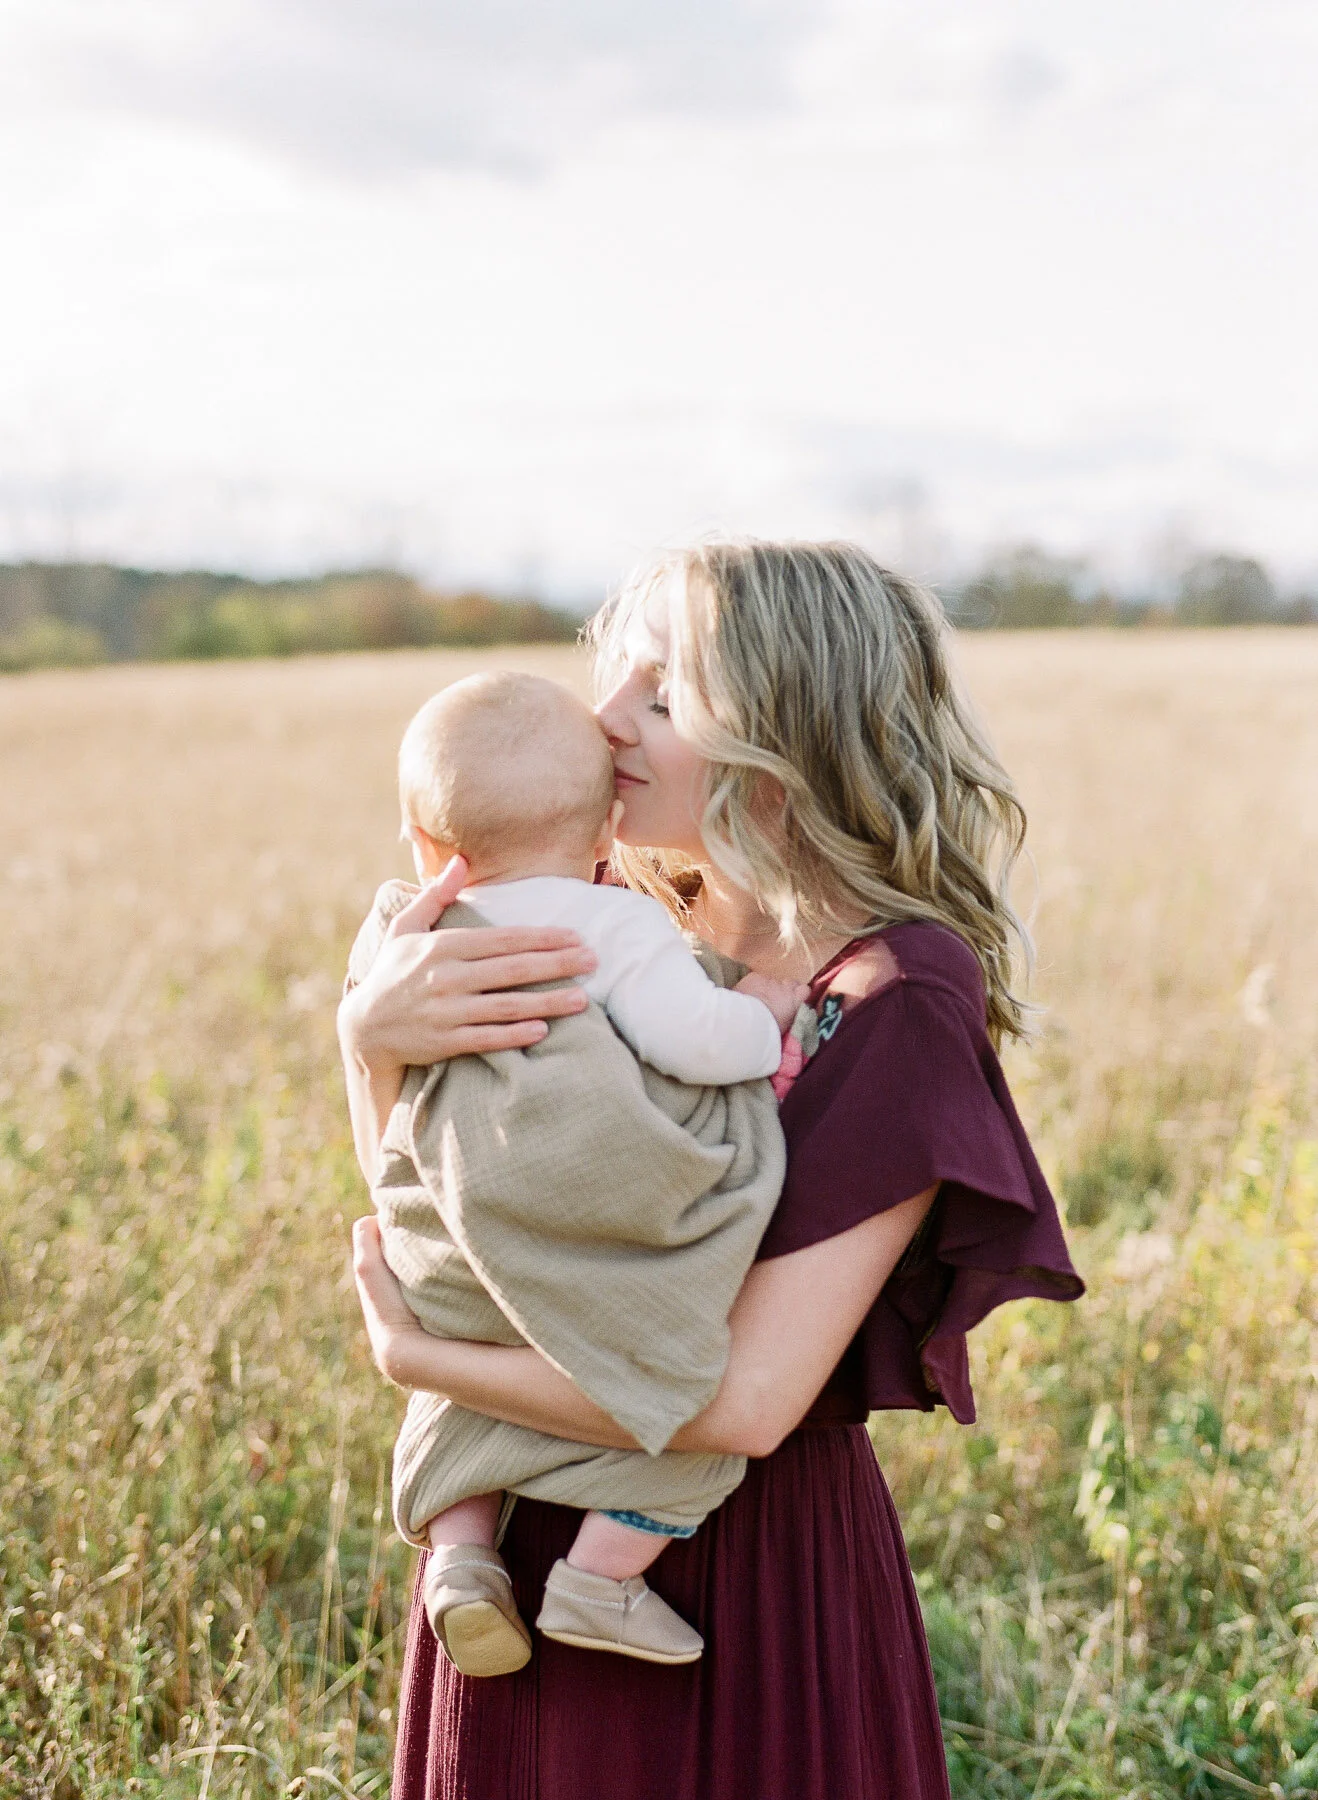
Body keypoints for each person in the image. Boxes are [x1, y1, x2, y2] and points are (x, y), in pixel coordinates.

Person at [339, 540, 1084, 1800]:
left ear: (786, 737)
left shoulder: (894, 996)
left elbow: (743, 1402)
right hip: (505, 1556)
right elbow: (447, 1225)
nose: (603, 720)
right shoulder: (616, 937)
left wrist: (422, 1368)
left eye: (663, 698)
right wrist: (370, 1050)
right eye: (614, 682)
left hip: (726, 1575)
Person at [345, 670, 807, 1677]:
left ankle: (462, 1556)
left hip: (448, 1249)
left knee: (463, 1374)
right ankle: (603, 1574)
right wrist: (764, 1010)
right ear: (608, 829)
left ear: (430, 850)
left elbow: (391, 1135)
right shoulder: (613, 926)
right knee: (681, 1395)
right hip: (576, 1242)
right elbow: (700, 1044)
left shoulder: (403, 941)